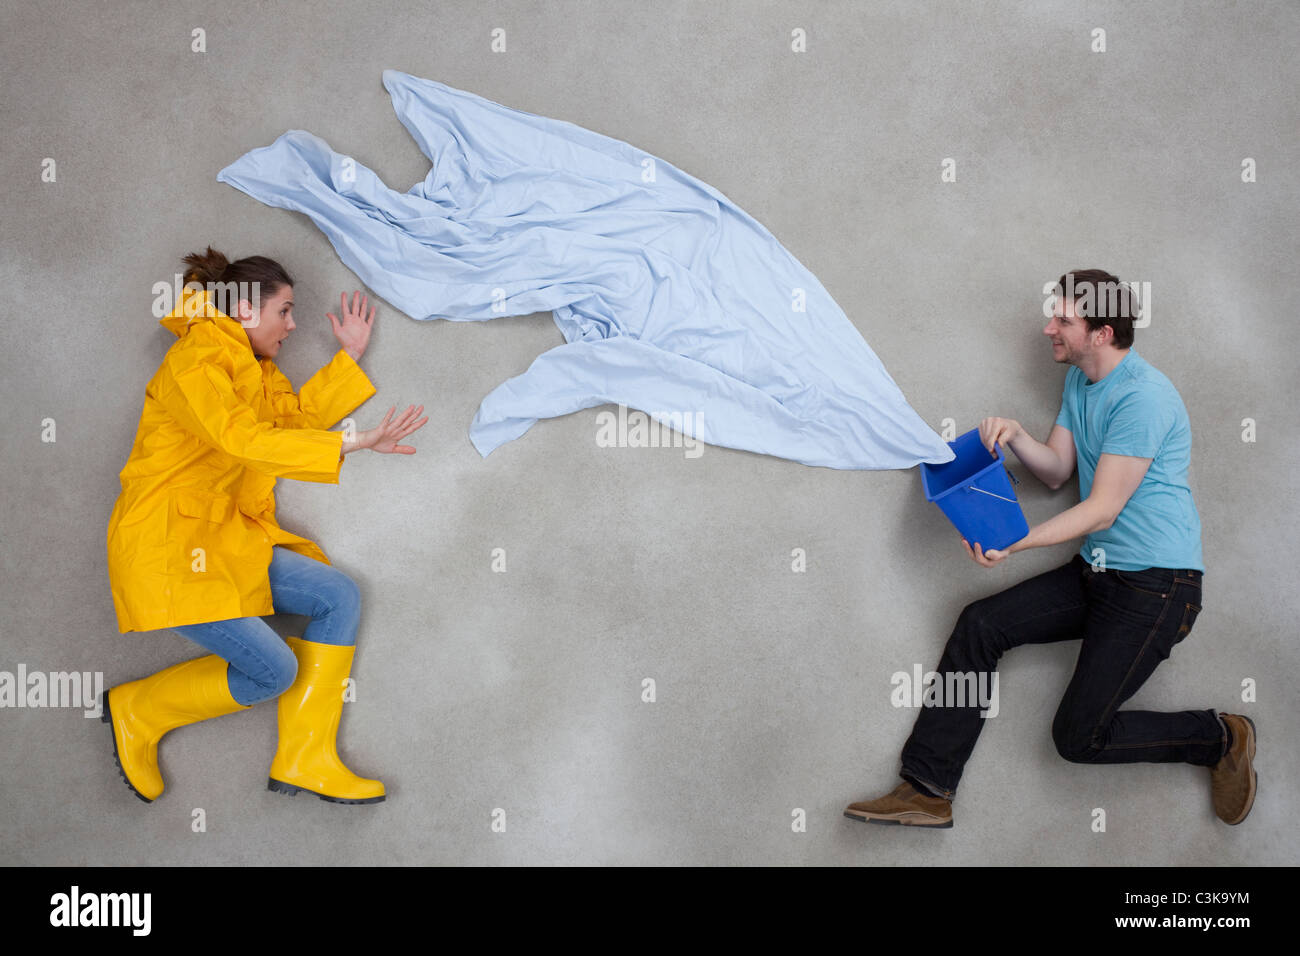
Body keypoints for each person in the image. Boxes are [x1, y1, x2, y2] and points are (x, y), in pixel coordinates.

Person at [844, 269, 1256, 828]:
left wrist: (1017, 542)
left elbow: (1102, 508)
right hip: (1098, 572)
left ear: (1103, 332)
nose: (1048, 329)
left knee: (1078, 738)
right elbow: (1060, 472)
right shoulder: (1080, 383)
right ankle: (927, 790)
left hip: (1159, 588)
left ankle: (1220, 737)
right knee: (980, 624)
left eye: (1063, 320)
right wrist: (1015, 435)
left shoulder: (1144, 398)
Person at [103, 246, 427, 805]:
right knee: (273, 672)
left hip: (224, 539)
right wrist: (355, 442)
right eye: (286, 311)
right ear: (247, 311)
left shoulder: (257, 371)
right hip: (172, 547)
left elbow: (291, 424)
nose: (294, 324)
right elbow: (244, 441)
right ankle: (138, 708)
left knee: (337, 595)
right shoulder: (195, 361)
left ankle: (305, 758)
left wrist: (347, 360)